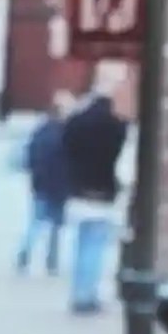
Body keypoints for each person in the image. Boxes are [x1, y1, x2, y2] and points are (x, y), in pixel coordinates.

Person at [62, 73, 131, 314]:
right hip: (103, 192)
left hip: (78, 190)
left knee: (80, 245)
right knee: (95, 246)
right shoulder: (117, 125)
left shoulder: (77, 122)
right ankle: (87, 294)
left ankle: (78, 291)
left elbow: (65, 144)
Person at [15, 91, 74, 275]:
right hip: (58, 187)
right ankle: (51, 260)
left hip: (40, 185)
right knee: (55, 226)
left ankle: (26, 252)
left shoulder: (41, 130)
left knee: (37, 222)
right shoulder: (65, 133)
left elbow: (31, 158)